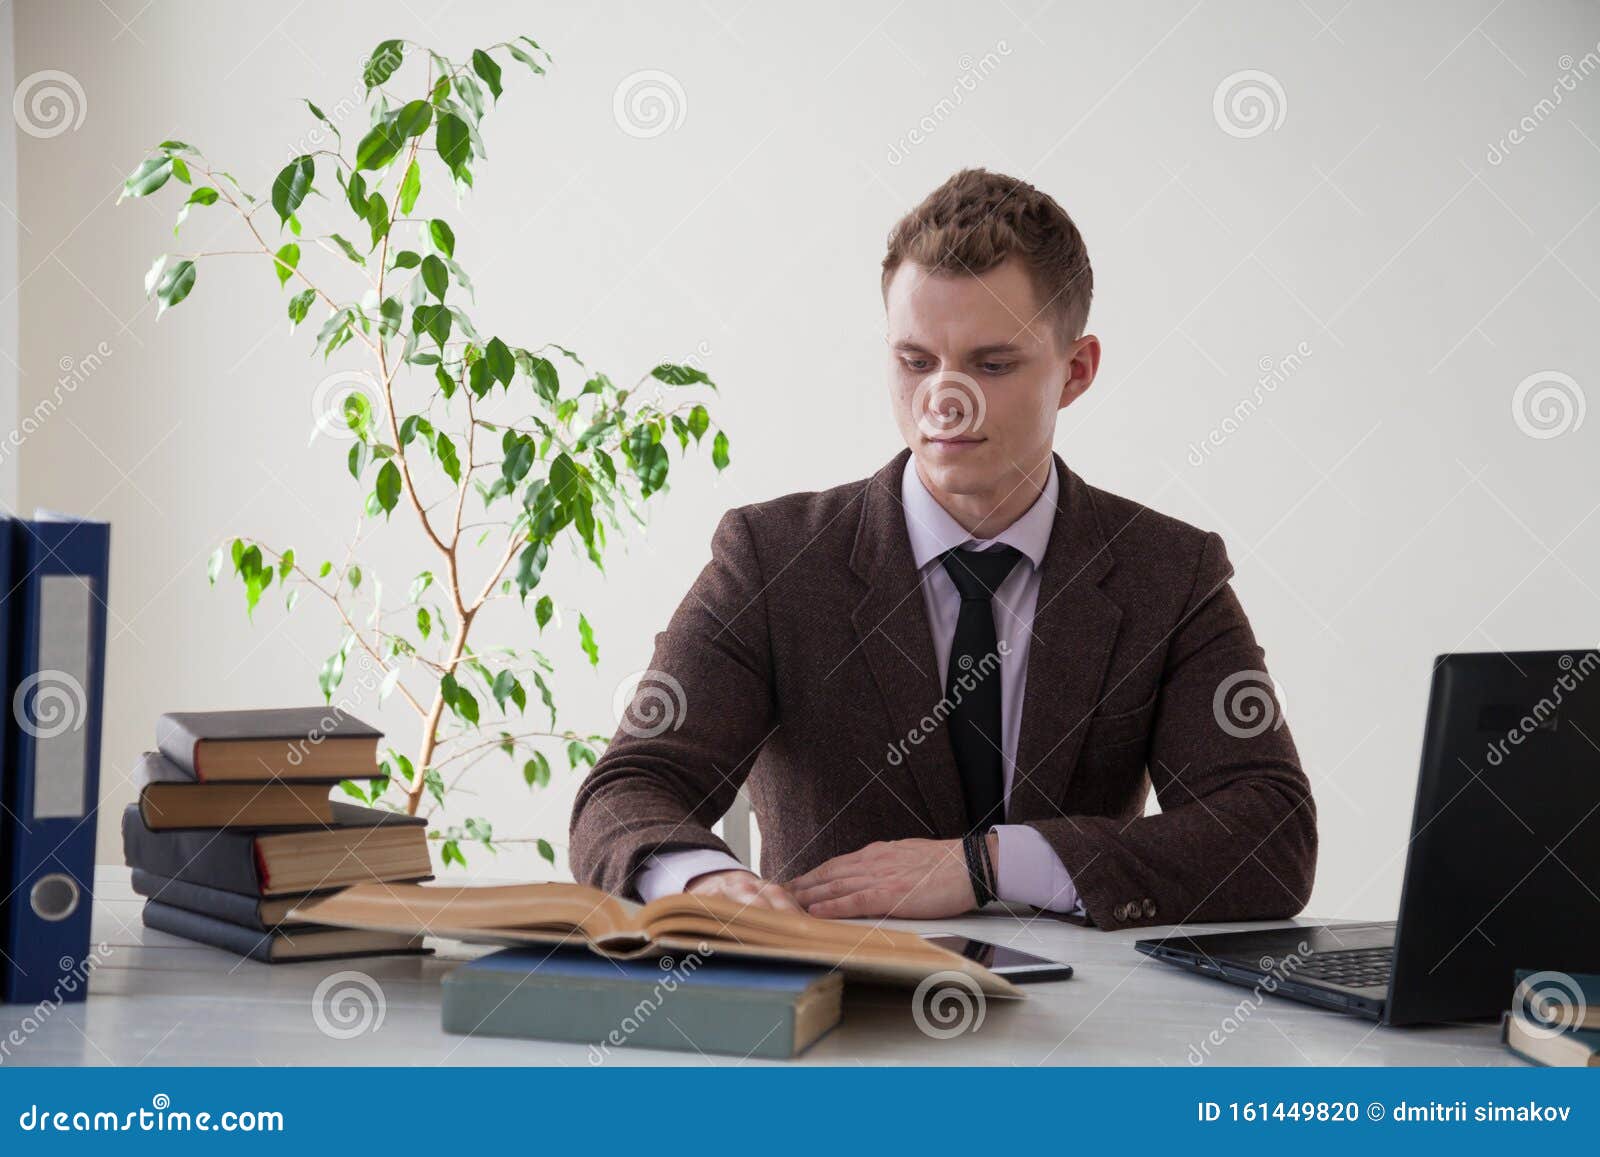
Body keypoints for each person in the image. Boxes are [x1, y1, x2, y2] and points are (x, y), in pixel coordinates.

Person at [568, 168, 1316, 928]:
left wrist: (989, 864)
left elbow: (1270, 835)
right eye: (916, 361)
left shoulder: (1170, 574)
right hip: (838, 1016)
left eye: (992, 365)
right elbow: (626, 793)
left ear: (1076, 371)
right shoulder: (773, 559)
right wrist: (706, 886)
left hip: (1085, 1027)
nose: (944, 401)